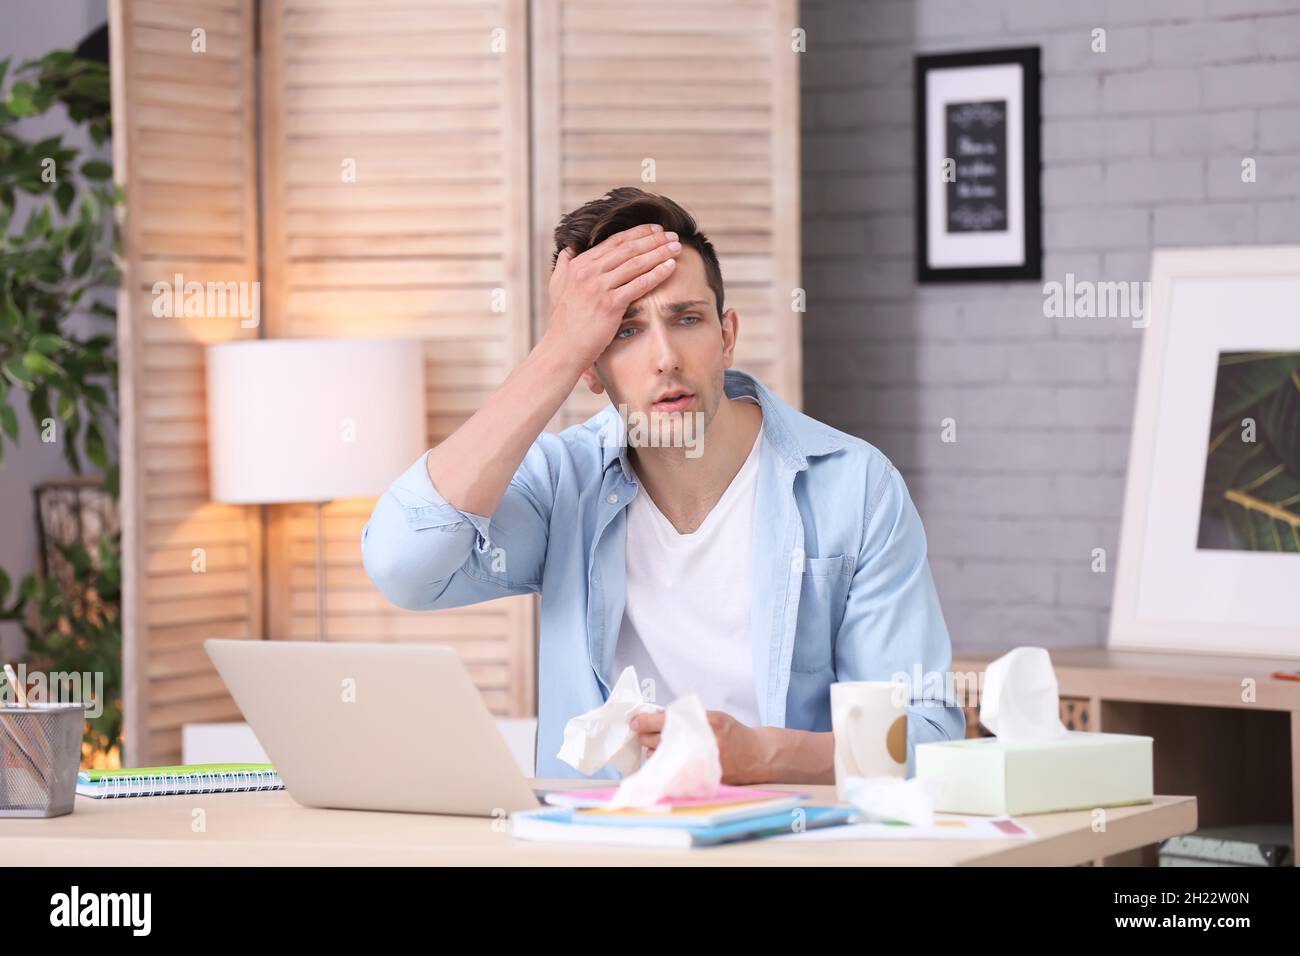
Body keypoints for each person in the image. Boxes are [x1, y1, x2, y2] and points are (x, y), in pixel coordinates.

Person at [361, 187, 963, 782]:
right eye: (624, 331)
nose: (665, 357)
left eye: (687, 319)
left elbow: (926, 734)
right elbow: (404, 565)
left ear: (726, 335)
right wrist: (559, 350)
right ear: (590, 371)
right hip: (599, 847)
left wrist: (766, 757)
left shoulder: (854, 486)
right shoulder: (561, 486)